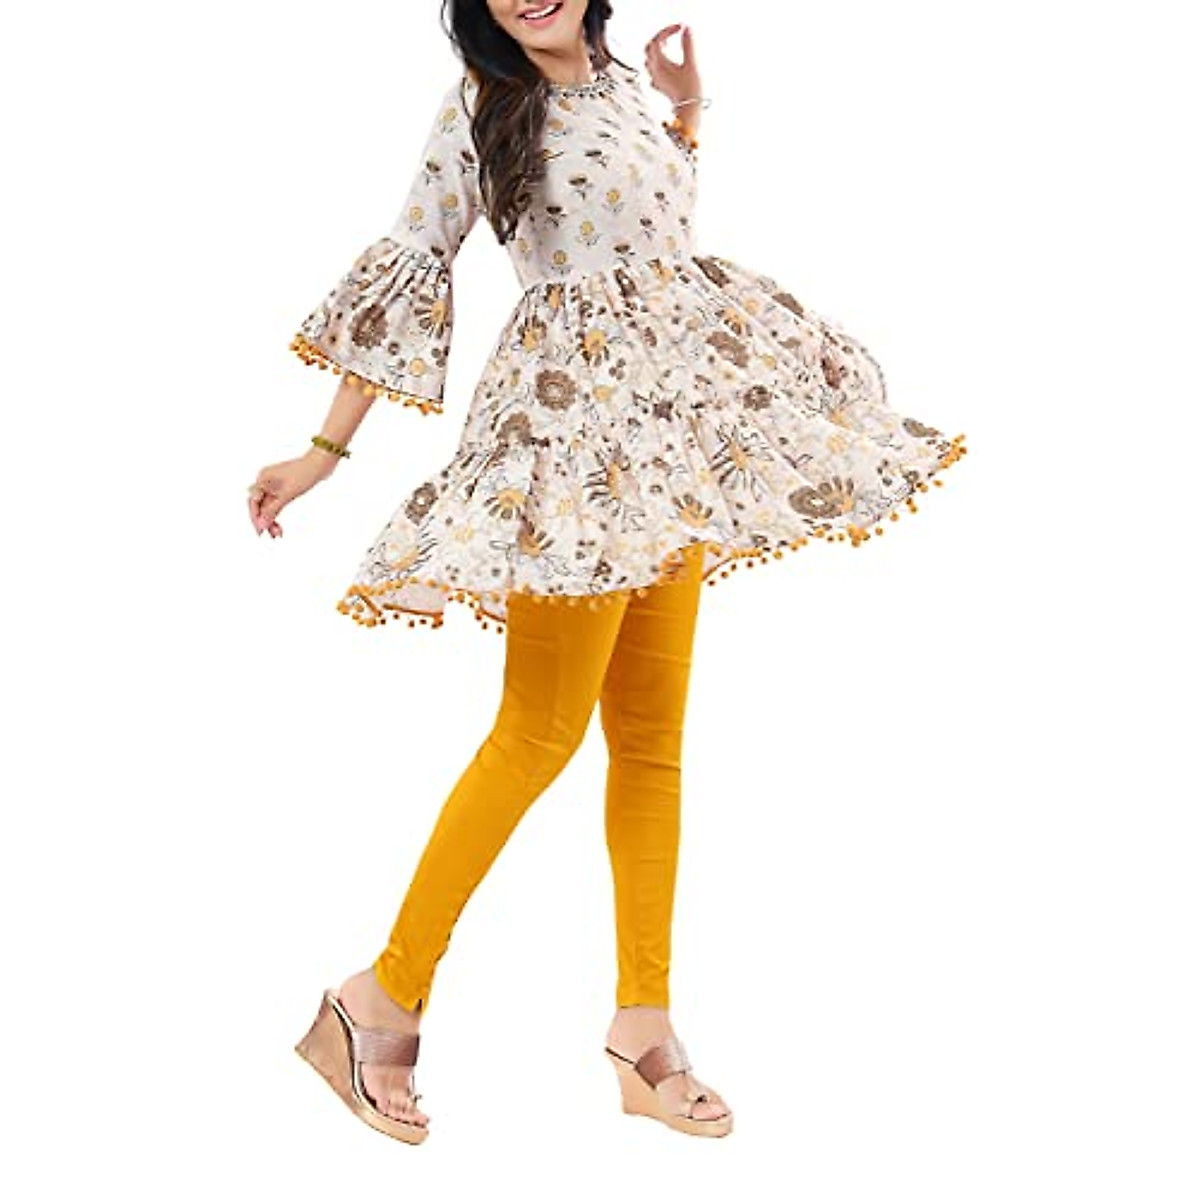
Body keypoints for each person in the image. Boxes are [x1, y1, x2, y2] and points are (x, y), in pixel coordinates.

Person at [251, 0, 967, 1145]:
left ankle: (644, 1026)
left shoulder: (632, 90)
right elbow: (412, 263)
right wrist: (322, 452)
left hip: (668, 440)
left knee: (651, 741)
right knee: (537, 732)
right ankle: (378, 995)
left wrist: (687, 115)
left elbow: (650, 235)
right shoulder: (485, 105)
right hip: (570, 449)